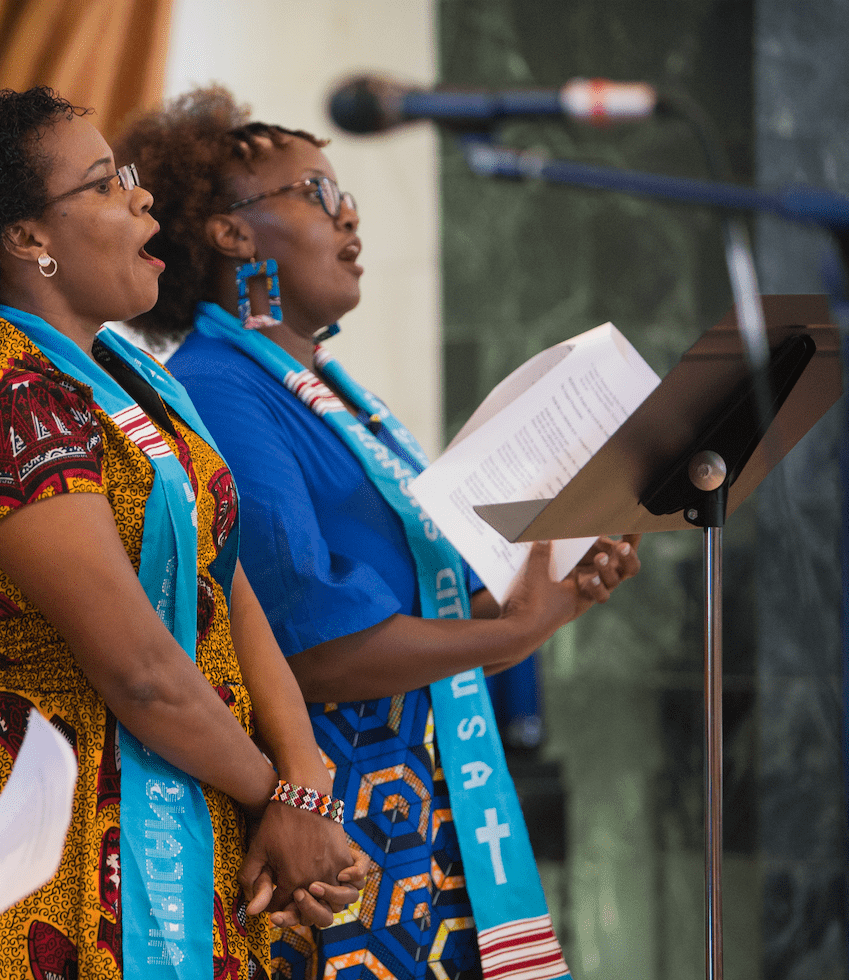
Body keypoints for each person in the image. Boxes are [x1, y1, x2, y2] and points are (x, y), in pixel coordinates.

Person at [118, 87, 642, 980]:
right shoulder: (221, 386)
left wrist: (538, 591)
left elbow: (421, 621)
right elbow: (307, 651)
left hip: (417, 804)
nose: (347, 211)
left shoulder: (329, 390)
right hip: (338, 820)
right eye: (314, 192)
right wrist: (518, 628)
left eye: (344, 191)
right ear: (231, 234)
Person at [0, 87, 366, 980]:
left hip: (207, 786)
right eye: (107, 183)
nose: (143, 198)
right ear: (29, 238)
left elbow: (221, 587)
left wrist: (303, 784)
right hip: (72, 830)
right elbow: (142, 674)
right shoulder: (3, 403)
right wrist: (278, 795)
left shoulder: (128, 377)